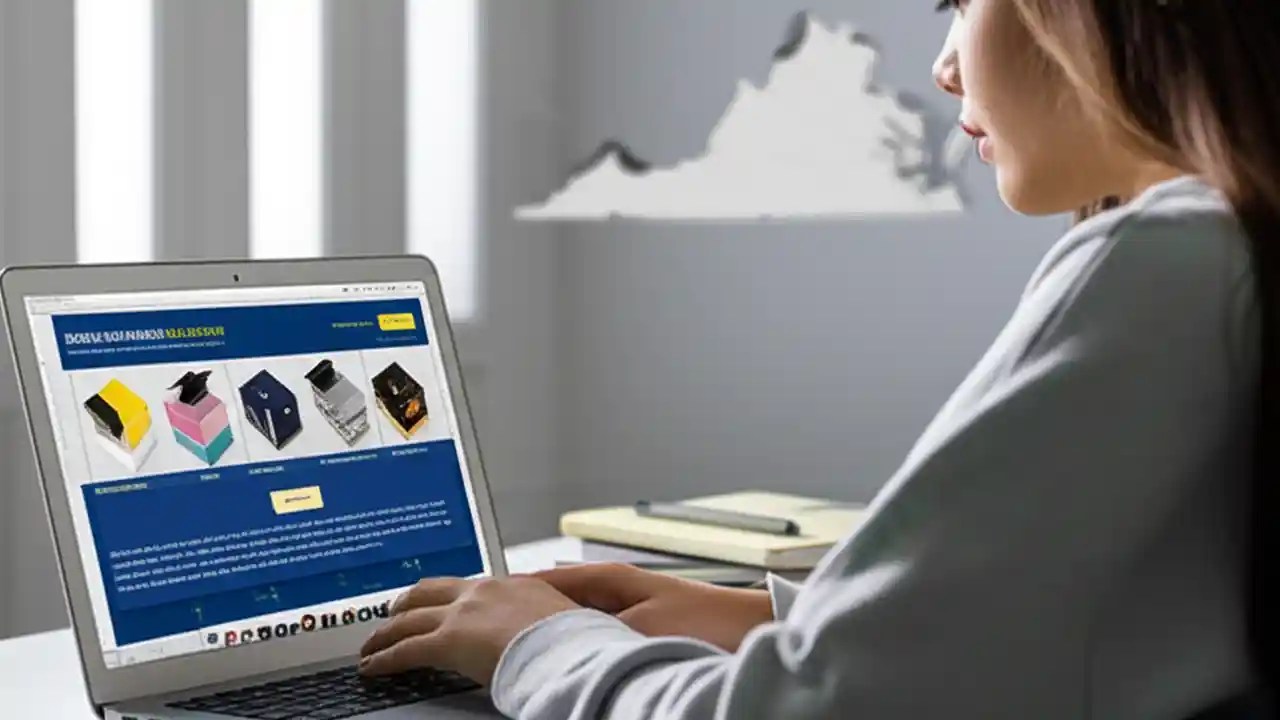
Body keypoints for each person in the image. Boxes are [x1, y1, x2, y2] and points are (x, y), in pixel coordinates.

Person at [359, 0, 1280, 717]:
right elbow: (1135, 630)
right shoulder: (1239, 251)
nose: (945, 67)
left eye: (958, 3)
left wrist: (545, 644)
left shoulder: (1167, 260)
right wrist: (784, 620)